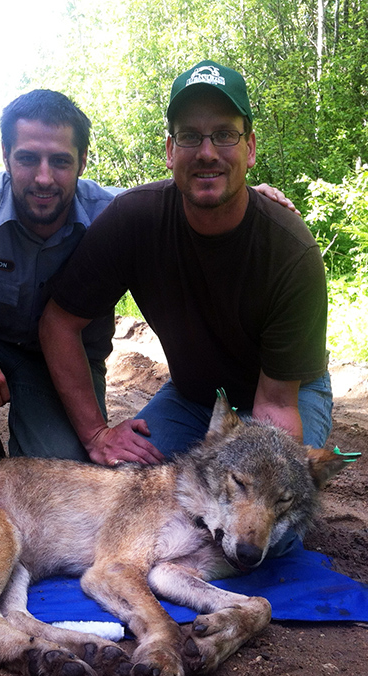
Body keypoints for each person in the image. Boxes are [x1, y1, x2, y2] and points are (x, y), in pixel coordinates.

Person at [0, 88, 296, 466]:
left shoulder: (118, 215)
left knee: (63, 477)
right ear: (5, 156)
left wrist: (245, 198)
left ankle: (42, 431)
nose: (43, 178)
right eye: (27, 159)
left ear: (82, 162)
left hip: (70, 366)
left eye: (60, 161)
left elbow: (188, 202)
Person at [39, 60, 333, 469]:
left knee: (251, 510)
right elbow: (59, 322)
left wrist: (255, 484)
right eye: (190, 136)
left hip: (288, 394)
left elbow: (275, 405)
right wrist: (95, 435)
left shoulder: (289, 251)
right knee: (124, 489)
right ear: (170, 151)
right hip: (194, 397)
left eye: (225, 135)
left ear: (249, 148)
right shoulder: (133, 220)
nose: (207, 153)